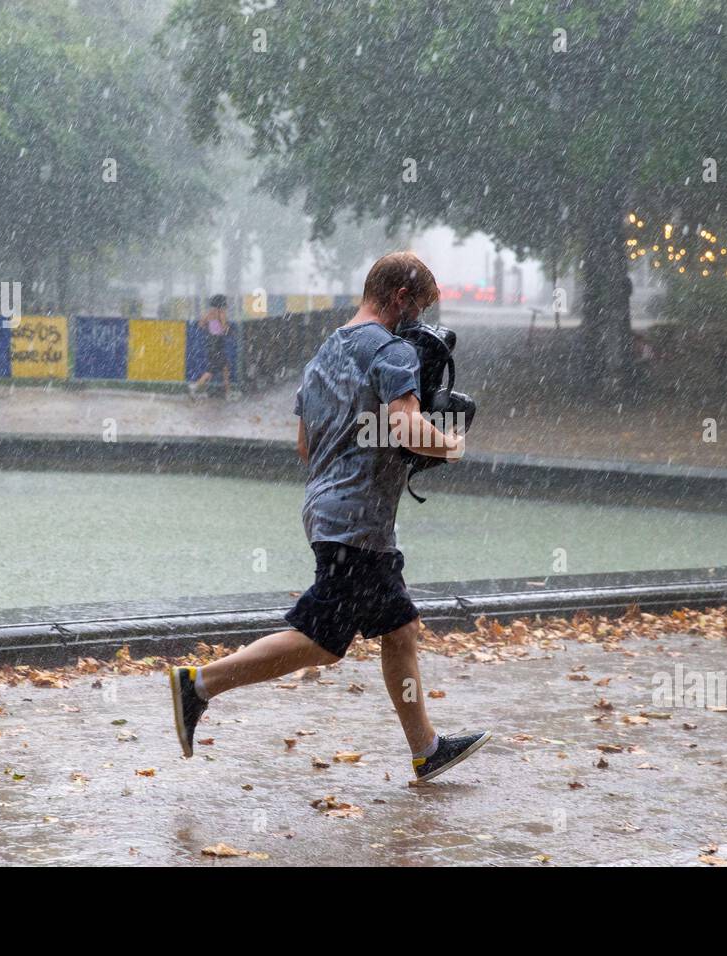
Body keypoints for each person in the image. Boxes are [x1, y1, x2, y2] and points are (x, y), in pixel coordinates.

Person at [169, 252, 492, 784]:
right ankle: (198, 685)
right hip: (357, 523)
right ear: (399, 300)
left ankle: (426, 748)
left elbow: (304, 445)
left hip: (332, 512)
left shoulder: (324, 354)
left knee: (400, 628)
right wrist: (452, 445)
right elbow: (409, 430)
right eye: (417, 308)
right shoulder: (392, 351)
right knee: (320, 641)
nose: (418, 323)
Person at [189, 294, 233, 399]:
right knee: (212, 371)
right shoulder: (221, 313)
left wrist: (210, 329)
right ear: (220, 304)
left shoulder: (208, 313)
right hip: (218, 344)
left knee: (224, 368)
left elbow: (200, 324)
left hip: (210, 343)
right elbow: (224, 329)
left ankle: (228, 392)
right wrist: (226, 328)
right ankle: (195, 386)